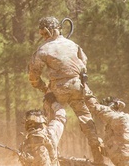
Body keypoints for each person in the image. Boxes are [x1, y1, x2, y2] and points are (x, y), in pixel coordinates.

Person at [28, 16, 104, 164]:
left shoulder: (44, 49)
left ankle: (50, 157)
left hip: (58, 87)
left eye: (43, 33)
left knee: (55, 118)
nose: (43, 36)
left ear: (49, 31)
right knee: (86, 119)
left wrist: (45, 89)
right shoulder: (73, 45)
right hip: (79, 86)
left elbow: (33, 75)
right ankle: (99, 157)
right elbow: (84, 62)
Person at [88, 97, 129, 166]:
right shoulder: (117, 127)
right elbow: (114, 150)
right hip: (127, 162)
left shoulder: (122, 118)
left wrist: (88, 97)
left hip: (127, 162)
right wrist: (99, 144)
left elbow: (101, 111)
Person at [17, 93, 67, 166]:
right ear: (43, 121)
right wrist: (53, 102)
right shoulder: (51, 133)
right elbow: (61, 117)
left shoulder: (25, 142)